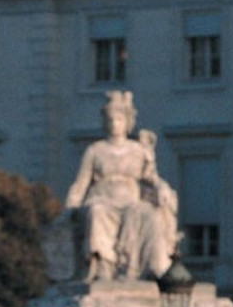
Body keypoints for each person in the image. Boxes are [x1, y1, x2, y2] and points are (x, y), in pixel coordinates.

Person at [64, 90, 179, 282]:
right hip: (103, 200)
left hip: (131, 201)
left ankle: (149, 267)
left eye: (118, 119)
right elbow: (81, 183)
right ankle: (103, 268)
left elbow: (151, 178)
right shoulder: (95, 150)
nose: (114, 124)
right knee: (96, 212)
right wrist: (70, 207)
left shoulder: (138, 150)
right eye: (110, 119)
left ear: (127, 122)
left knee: (148, 214)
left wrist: (162, 187)